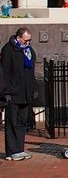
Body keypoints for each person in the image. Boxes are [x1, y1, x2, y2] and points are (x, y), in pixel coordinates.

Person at [2, 28, 36, 161]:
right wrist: (6, 92)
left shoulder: (29, 51)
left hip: (25, 93)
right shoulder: (8, 50)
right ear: (18, 37)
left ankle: (19, 148)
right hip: (13, 93)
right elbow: (4, 72)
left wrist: (33, 89)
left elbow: (31, 71)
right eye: (25, 40)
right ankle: (11, 151)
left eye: (29, 40)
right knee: (11, 121)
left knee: (22, 122)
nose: (28, 42)